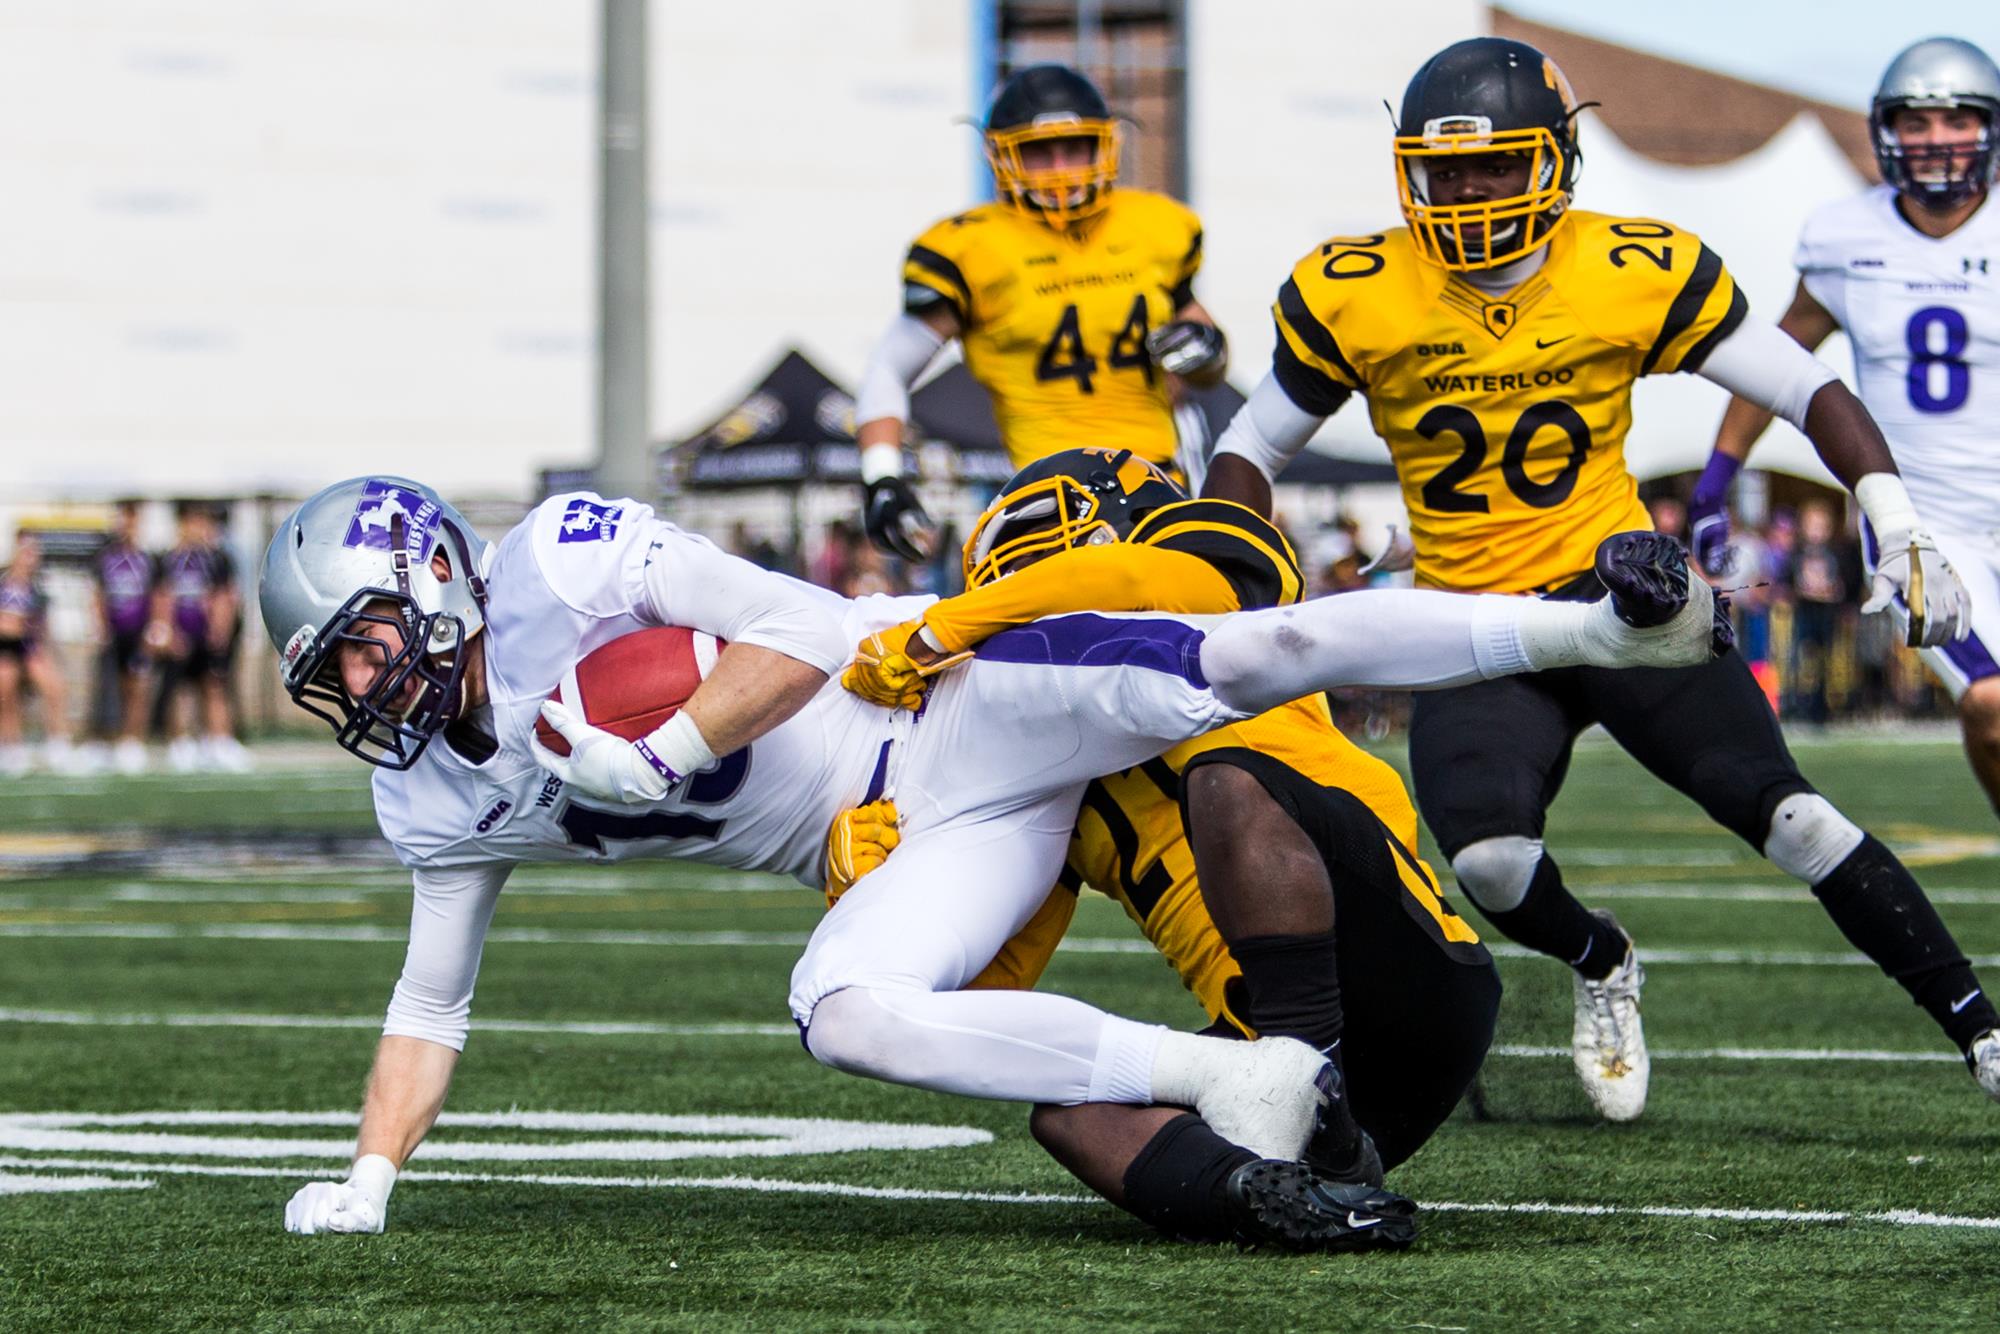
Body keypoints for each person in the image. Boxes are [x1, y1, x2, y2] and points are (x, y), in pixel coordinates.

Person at [261, 475, 1717, 1238]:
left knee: (1244, 655)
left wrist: (666, 747)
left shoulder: (555, 568)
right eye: (333, 668)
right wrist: (371, 1176)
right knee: (841, 1010)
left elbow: (810, 627)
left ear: (435, 574)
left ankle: (1591, 618)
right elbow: (428, 1003)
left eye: (365, 641)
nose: (360, 685)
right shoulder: (428, 796)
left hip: (940, 708)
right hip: (926, 846)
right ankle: (1232, 1074)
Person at [1199, 35, 2000, 1122]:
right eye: (1446, 171)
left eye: (1495, 165)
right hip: (1469, 620)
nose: (1469, 193)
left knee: (1794, 821)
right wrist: (1240, 569)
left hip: (1621, 599)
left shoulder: (1632, 262)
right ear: (1408, 172)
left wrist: (1890, 514)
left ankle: (1980, 1031)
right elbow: (1249, 449)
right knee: (1486, 862)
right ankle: (1601, 954)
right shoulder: (1358, 288)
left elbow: (1804, 384)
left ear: (1554, 162)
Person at [832, 447, 1502, 1243]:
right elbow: (976, 1002)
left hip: (1404, 964)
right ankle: (1283, 1191)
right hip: (1275, 1058)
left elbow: (1126, 585)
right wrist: (875, 886)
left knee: (1223, 776)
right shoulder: (1026, 769)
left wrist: (956, 623)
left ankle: (1306, 1069)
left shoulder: (1203, 584)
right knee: (1071, 1106)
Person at [1695, 39, 2000, 802]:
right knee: (1993, 707)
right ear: (1885, 130)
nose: (1935, 140)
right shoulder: (1844, 236)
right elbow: (1777, 361)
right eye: (1916, 121)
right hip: (1926, 526)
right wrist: (1715, 480)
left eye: (1955, 120)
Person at [855, 64, 1228, 561]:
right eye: (1038, 151)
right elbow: (887, 368)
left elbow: (1206, 360)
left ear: (1106, 145)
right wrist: (881, 477)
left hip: (1164, 482)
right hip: (1048, 498)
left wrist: (1207, 349)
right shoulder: (969, 247)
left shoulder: (1156, 226)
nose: (1061, 167)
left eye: (1075, 147)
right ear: (1000, 155)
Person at [155, 501, 250, 772]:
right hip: (181, 636)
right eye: (195, 521)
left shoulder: (216, 559)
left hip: (207, 637)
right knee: (179, 691)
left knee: (214, 686)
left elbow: (226, 596)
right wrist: (169, 632)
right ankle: (181, 743)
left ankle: (219, 741)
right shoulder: (169, 559)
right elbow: (162, 596)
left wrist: (219, 632)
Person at [93, 500, 159, 774]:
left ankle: (133, 741)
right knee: (110, 689)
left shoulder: (147, 559)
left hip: (138, 633)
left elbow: (159, 594)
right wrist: (99, 626)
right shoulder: (105, 558)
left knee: (138, 687)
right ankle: (109, 742)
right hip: (113, 634)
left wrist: (155, 628)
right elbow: (96, 594)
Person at [0, 531, 74, 774]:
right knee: (5, 686)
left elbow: (38, 628)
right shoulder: (3, 584)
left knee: (54, 686)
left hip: (28, 647)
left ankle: (58, 744)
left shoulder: (37, 589)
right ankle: (11, 747)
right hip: (4, 648)